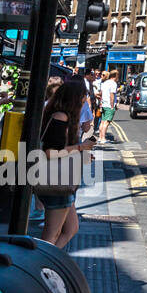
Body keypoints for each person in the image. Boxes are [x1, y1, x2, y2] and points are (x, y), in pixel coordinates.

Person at [37, 80, 97, 249]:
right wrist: (80, 147)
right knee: (51, 234)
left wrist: (81, 153)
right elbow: (50, 152)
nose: (85, 100)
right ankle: (41, 266)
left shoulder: (63, 116)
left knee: (71, 229)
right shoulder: (60, 117)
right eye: (83, 96)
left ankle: (49, 263)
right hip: (57, 180)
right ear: (74, 98)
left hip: (63, 181)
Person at [96, 71, 118, 144]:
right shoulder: (113, 84)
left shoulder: (105, 83)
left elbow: (101, 93)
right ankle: (103, 139)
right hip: (109, 105)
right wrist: (112, 105)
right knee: (106, 122)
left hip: (103, 104)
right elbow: (112, 95)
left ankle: (100, 137)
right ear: (115, 75)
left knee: (102, 122)